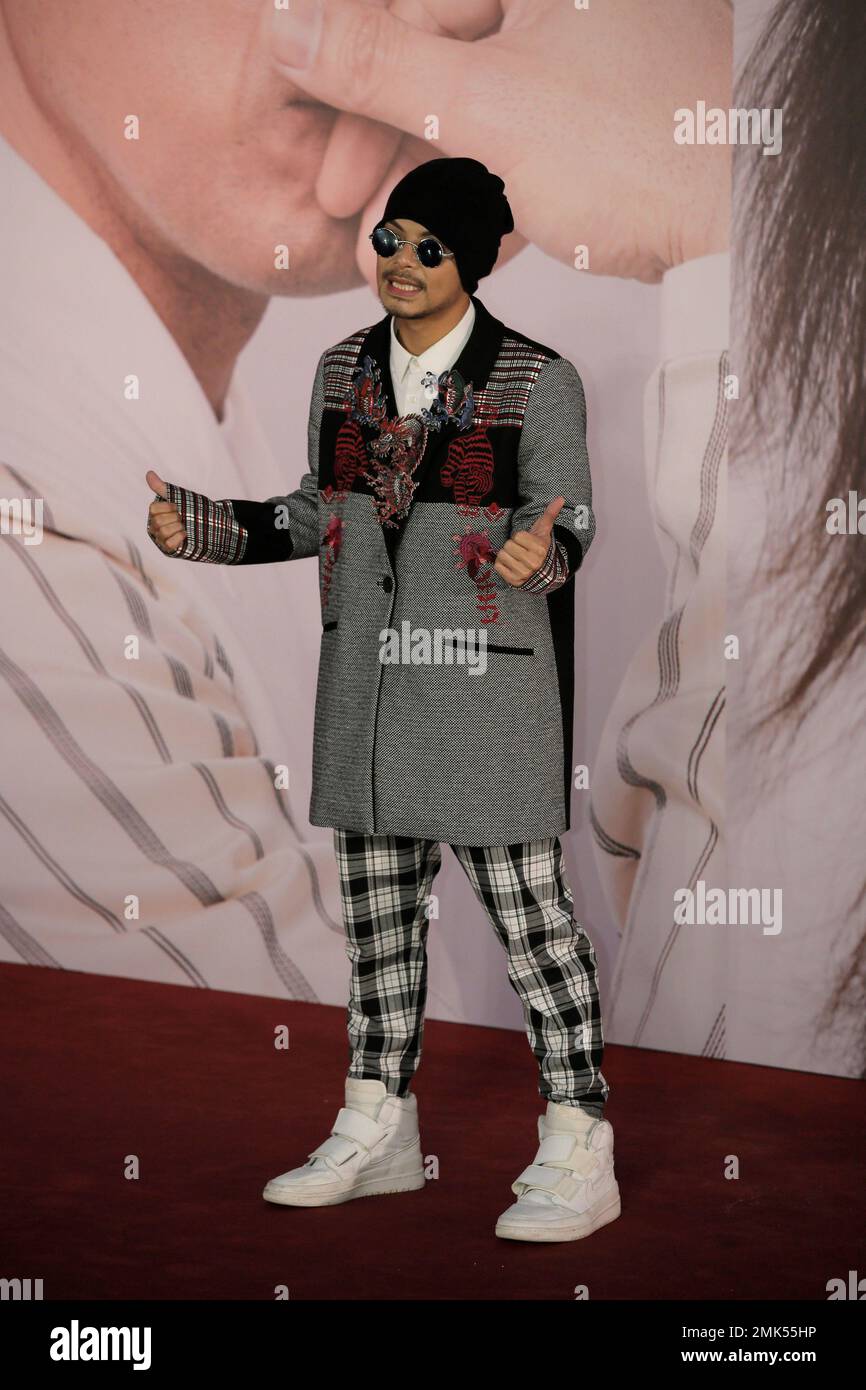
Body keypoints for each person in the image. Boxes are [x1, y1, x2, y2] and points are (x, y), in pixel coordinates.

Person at [147, 157, 620, 1243]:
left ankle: (577, 1138)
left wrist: (531, 558)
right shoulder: (338, 370)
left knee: (535, 930)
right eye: (389, 241)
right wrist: (208, 527)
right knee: (376, 932)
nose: (399, 264)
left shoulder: (535, 380)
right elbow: (321, 511)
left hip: (487, 697)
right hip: (364, 696)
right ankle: (376, 1125)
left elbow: (571, 527)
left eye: (427, 247)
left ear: (471, 259)